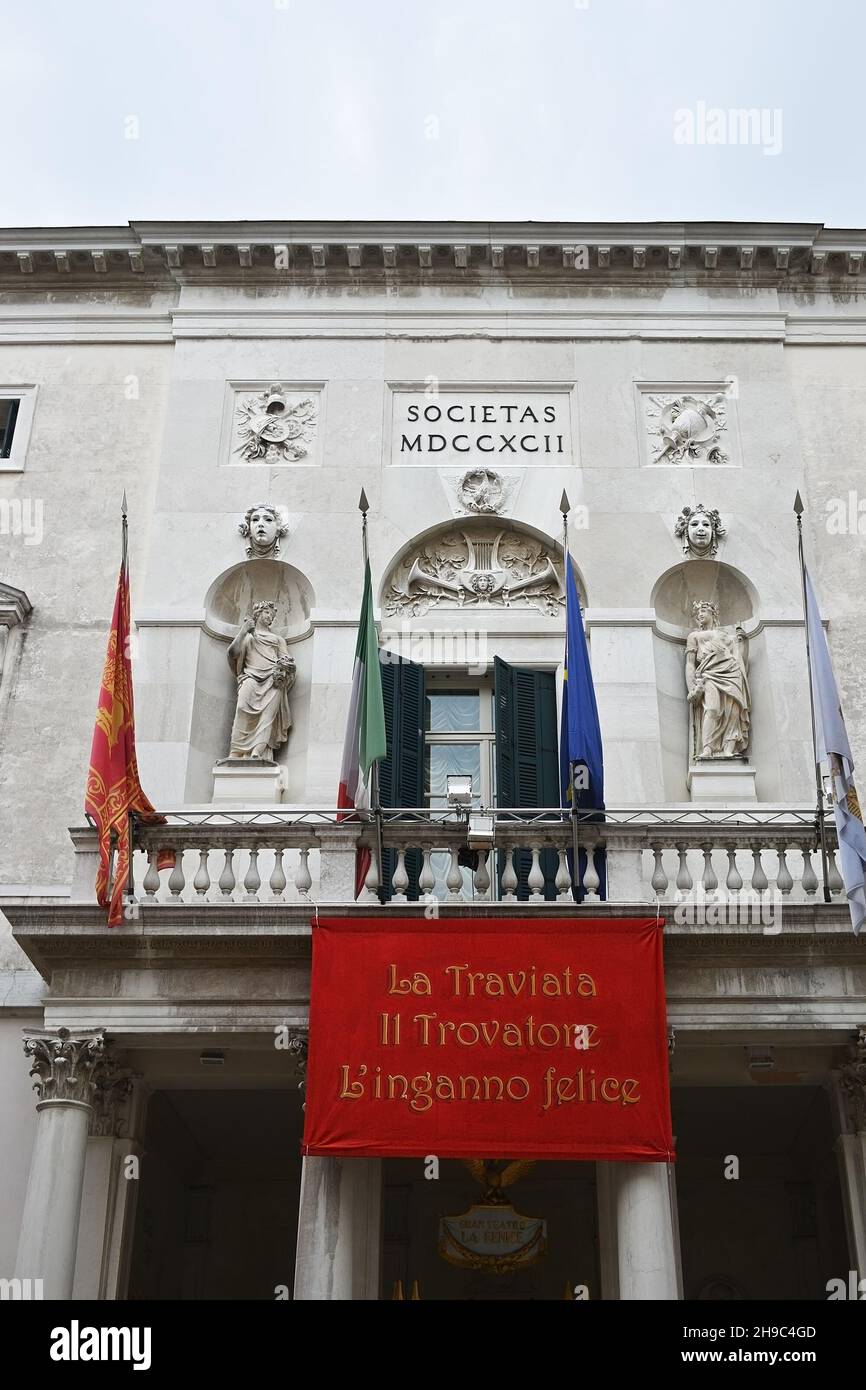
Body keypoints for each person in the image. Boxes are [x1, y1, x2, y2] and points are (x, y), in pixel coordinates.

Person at [227, 601, 295, 759]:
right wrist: (243, 632)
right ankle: (236, 751)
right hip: (250, 677)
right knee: (242, 707)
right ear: (257, 614)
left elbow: (287, 660)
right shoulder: (247, 636)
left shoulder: (278, 640)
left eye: (272, 615)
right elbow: (232, 654)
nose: (270, 617)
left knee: (267, 718)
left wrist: (285, 668)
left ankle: (258, 752)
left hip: (273, 680)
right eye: (267, 613)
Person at [685, 600, 750, 758]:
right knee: (712, 709)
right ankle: (707, 748)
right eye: (698, 612)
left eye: (704, 610)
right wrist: (692, 689)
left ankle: (729, 748)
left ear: (713, 613)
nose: (700, 614)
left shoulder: (727, 636)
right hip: (709, 675)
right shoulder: (695, 636)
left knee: (734, 711)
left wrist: (744, 643)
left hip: (732, 674)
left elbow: (739, 660)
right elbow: (690, 664)